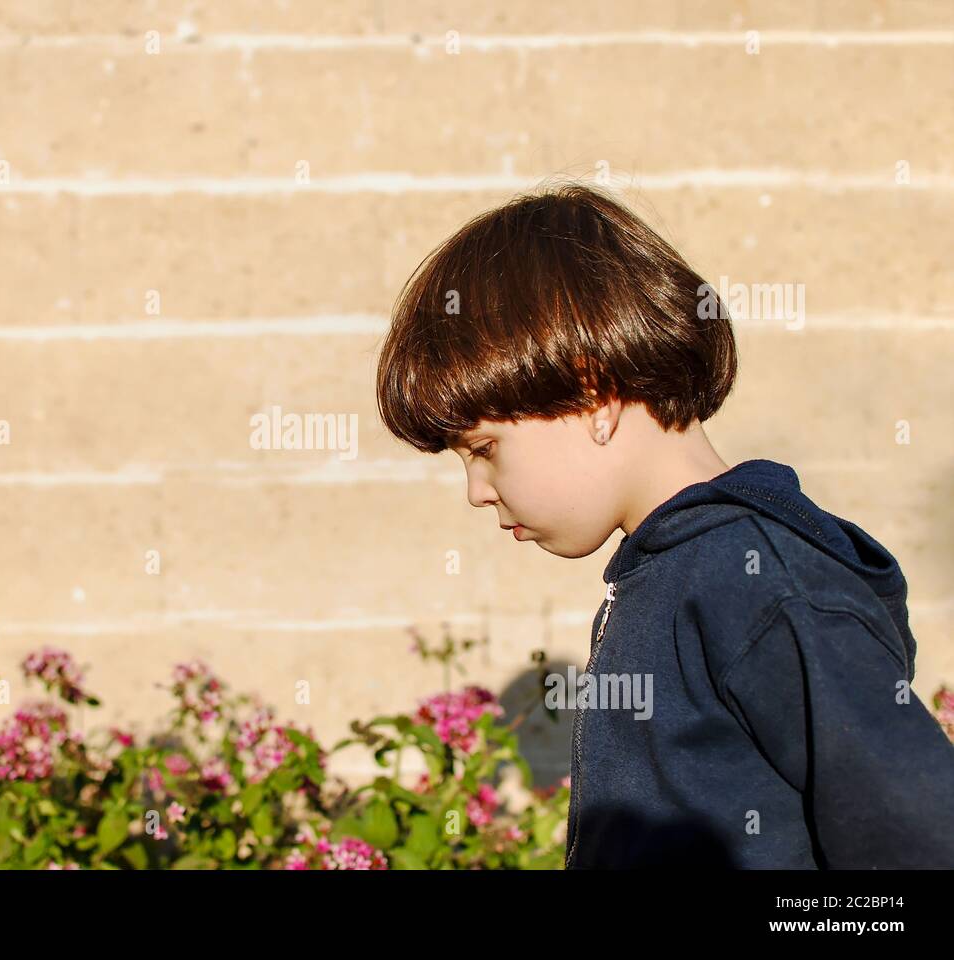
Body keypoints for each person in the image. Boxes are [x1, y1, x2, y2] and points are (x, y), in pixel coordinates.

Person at [374, 181, 954, 868]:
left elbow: (922, 836)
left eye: (484, 450)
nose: (476, 492)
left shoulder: (755, 580)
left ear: (593, 393)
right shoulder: (665, 574)